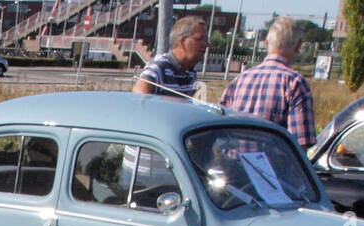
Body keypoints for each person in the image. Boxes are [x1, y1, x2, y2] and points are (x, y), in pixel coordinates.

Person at [217, 16, 316, 148]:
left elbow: (219, 125)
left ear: (267, 43)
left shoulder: (240, 79)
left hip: (233, 164)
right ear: (298, 46)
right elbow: (300, 141)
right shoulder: (295, 83)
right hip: (274, 166)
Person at [134, 17, 208, 99]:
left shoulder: (190, 72)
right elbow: (139, 99)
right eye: (200, 39)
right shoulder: (158, 68)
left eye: (206, 39)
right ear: (182, 42)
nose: (207, 44)